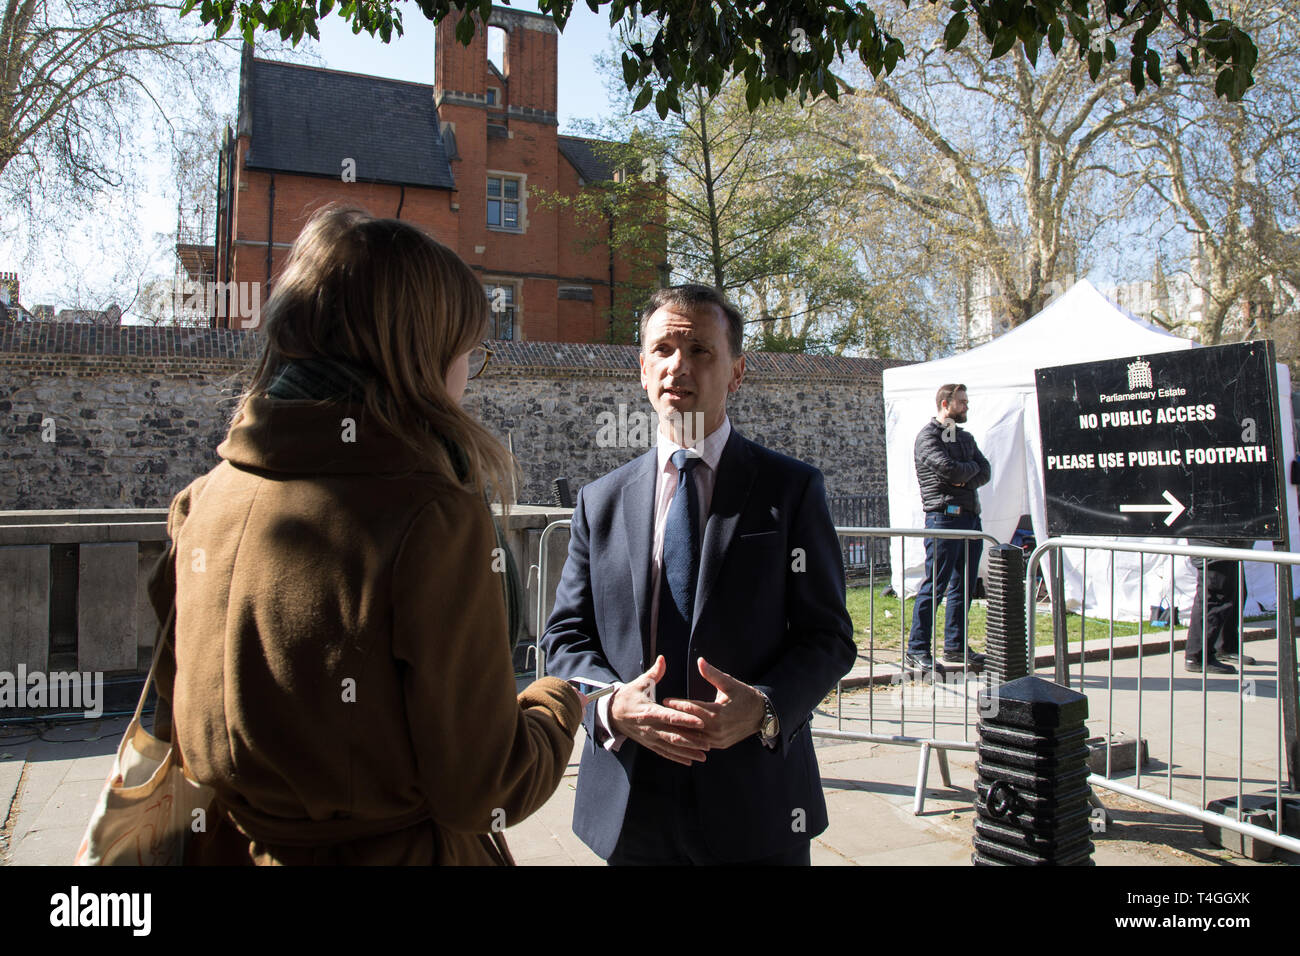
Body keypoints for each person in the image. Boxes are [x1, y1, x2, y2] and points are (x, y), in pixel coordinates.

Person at [145, 205, 583, 865]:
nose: (469, 374)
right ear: (418, 352)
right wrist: (560, 701)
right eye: (467, 351)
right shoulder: (429, 517)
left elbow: (173, 725)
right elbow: (483, 785)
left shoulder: (202, 503)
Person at [540, 284, 856, 866]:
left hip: (756, 798)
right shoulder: (599, 502)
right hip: (631, 804)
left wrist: (765, 706)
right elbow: (564, 639)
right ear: (641, 369)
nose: (677, 366)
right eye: (662, 350)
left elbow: (829, 637)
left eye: (700, 351)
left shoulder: (790, 490)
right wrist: (611, 706)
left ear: (737, 372)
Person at [906, 383, 991, 675]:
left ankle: (956, 644)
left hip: (970, 518)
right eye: (961, 401)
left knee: (964, 586)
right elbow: (951, 471)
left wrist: (963, 474)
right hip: (943, 517)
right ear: (945, 403)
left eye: (966, 400)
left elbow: (985, 470)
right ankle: (917, 648)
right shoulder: (928, 437)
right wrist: (967, 471)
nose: (966, 405)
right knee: (935, 585)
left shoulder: (965, 437)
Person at [1184, 539, 1256, 674]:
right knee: (1215, 599)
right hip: (1215, 546)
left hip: (1227, 544)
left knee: (1235, 594)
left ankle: (1224, 647)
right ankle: (1197, 657)